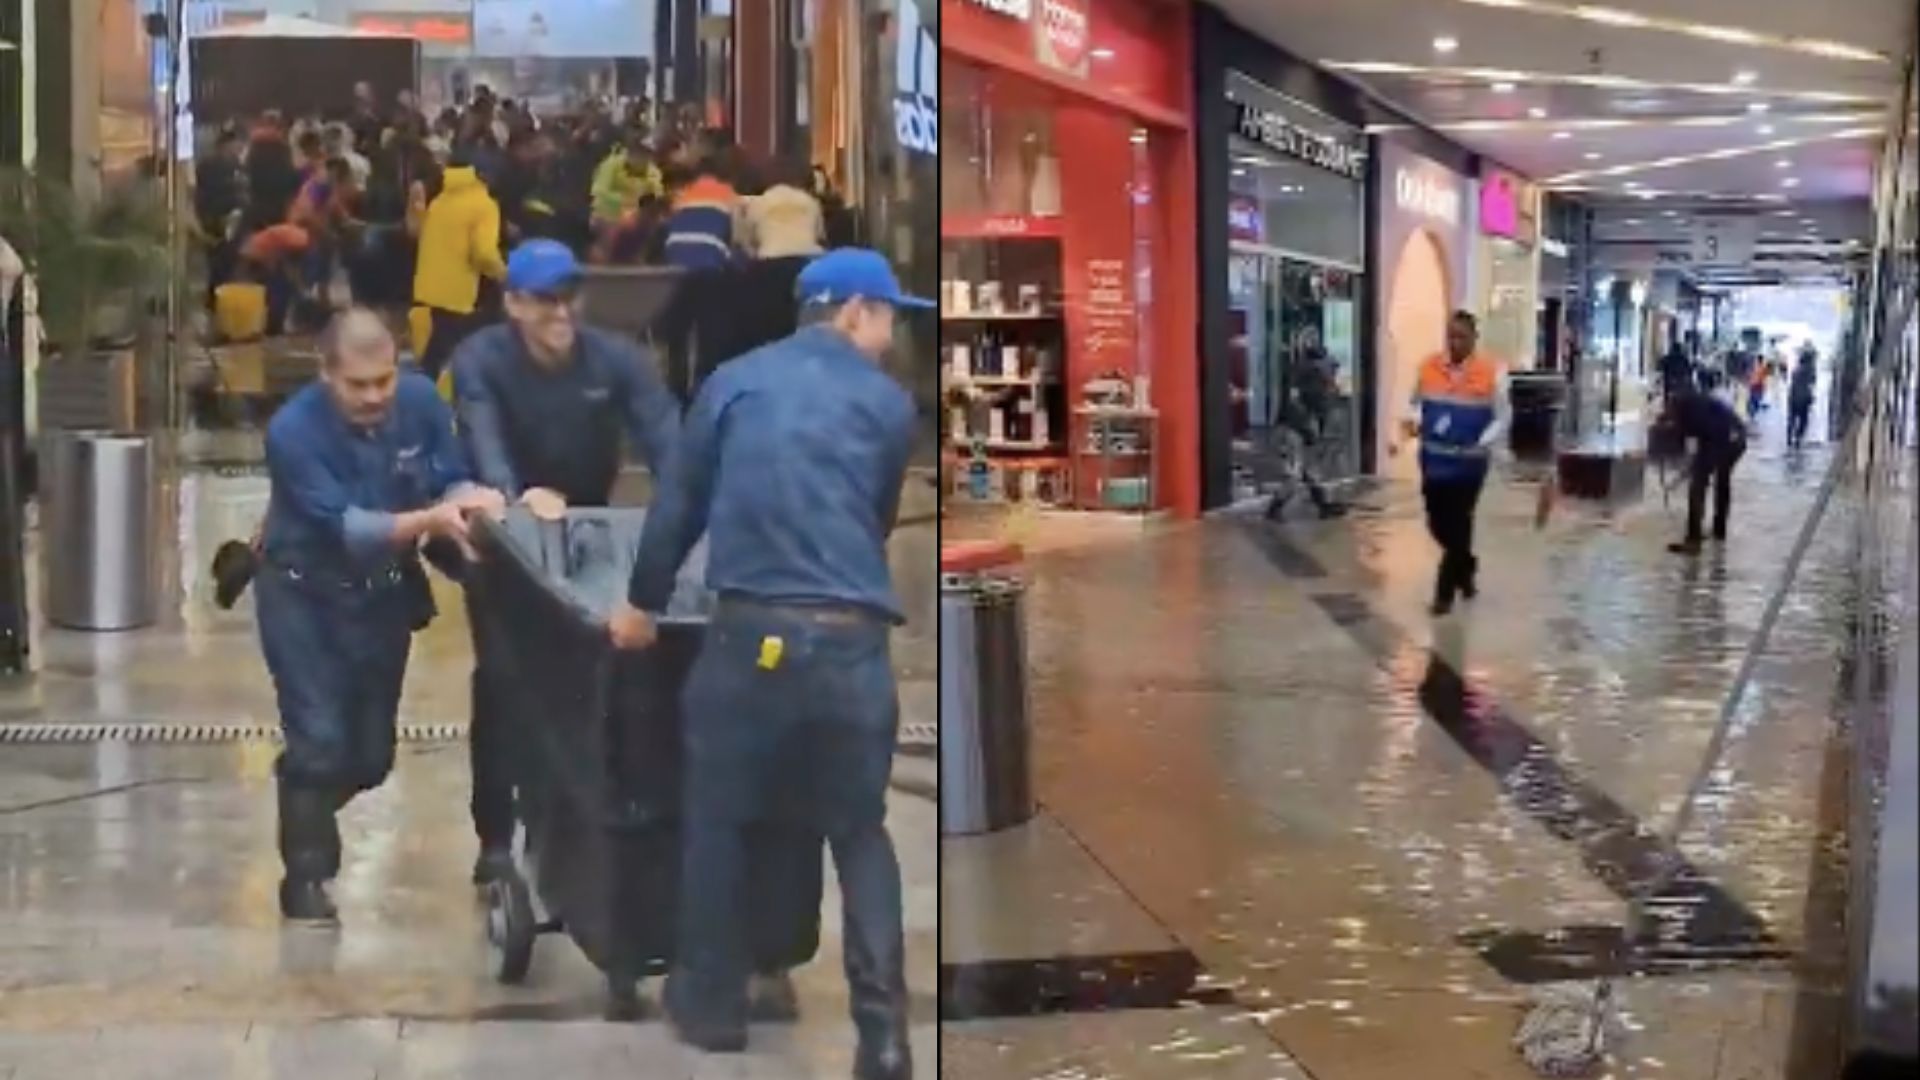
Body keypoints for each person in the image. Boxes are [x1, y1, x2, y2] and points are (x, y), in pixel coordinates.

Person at [609, 249, 922, 1078]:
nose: (892, 337)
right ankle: (884, 1035)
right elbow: (879, 515)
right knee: (859, 832)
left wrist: (640, 605)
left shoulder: (734, 382)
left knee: (720, 814)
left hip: (750, 636)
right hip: (853, 640)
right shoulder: (891, 406)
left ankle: (711, 1009)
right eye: (890, 316)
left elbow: (678, 504)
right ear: (853, 310)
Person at [255, 310, 504, 922]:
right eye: (357, 385)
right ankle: (305, 875)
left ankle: (306, 797)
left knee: (370, 758)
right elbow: (347, 529)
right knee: (320, 741)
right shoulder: (293, 431)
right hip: (303, 596)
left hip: (381, 596)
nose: (373, 397)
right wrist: (429, 521)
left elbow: (448, 476)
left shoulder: (419, 403)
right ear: (326, 374)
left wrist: (471, 501)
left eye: (383, 381)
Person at [448, 240, 681, 885]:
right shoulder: (480, 361)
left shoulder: (617, 359)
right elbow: (482, 433)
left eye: (569, 297)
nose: (561, 314)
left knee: (601, 679)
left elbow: (668, 441)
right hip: (504, 538)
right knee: (502, 682)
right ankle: (495, 837)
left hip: (586, 541)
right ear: (514, 304)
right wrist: (515, 497)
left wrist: (691, 507)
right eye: (545, 300)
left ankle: (582, 828)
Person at [1402, 311, 1508, 616]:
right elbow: (1415, 405)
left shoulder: (1492, 373)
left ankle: (1444, 593)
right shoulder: (1429, 367)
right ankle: (1466, 565)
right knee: (1437, 524)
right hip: (1433, 461)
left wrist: (1484, 441)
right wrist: (1413, 422)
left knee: (1459, 520)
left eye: (1461, 336)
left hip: (1469, 465)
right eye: (1451, 335)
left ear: (1475, 338)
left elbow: (1503, 417)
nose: (1455, 342)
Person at [411, 151, 507, 380]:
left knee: (434, 360)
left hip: (428, 290)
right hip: (458, 294)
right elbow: (483, 253)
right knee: (448, 361)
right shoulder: (484, 205)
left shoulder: (441, 201)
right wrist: (504, 274)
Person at [1666, 373, 1748, 555]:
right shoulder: (1696, 403)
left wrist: (1691, 470)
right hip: (1737, 436)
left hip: (1727, 439)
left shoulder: (1690, 412)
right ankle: (1719, 532)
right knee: (1721, 482)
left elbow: (1701, 448)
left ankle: (1693, 542)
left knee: (1698, 487)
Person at [660, 157, 739, 271]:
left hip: (674, 254)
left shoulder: (682, 194)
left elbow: (669, 223)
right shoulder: (728, 192)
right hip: (710, 257)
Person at [739, 159, 824, 260]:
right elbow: (819, 235)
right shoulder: (809, 201)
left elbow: (746, 240)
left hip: (771, 258)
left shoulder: (758, 203)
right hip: (807, 258)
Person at [1788, 345, 1818, 449]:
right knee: (1803, 420)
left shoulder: (1796, 370)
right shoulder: (1810, 369)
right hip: (1803, 399)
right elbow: (1812, 382)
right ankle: (1797, 438)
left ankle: (1789, 438)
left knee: (1792, 419)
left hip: (1793, 397)